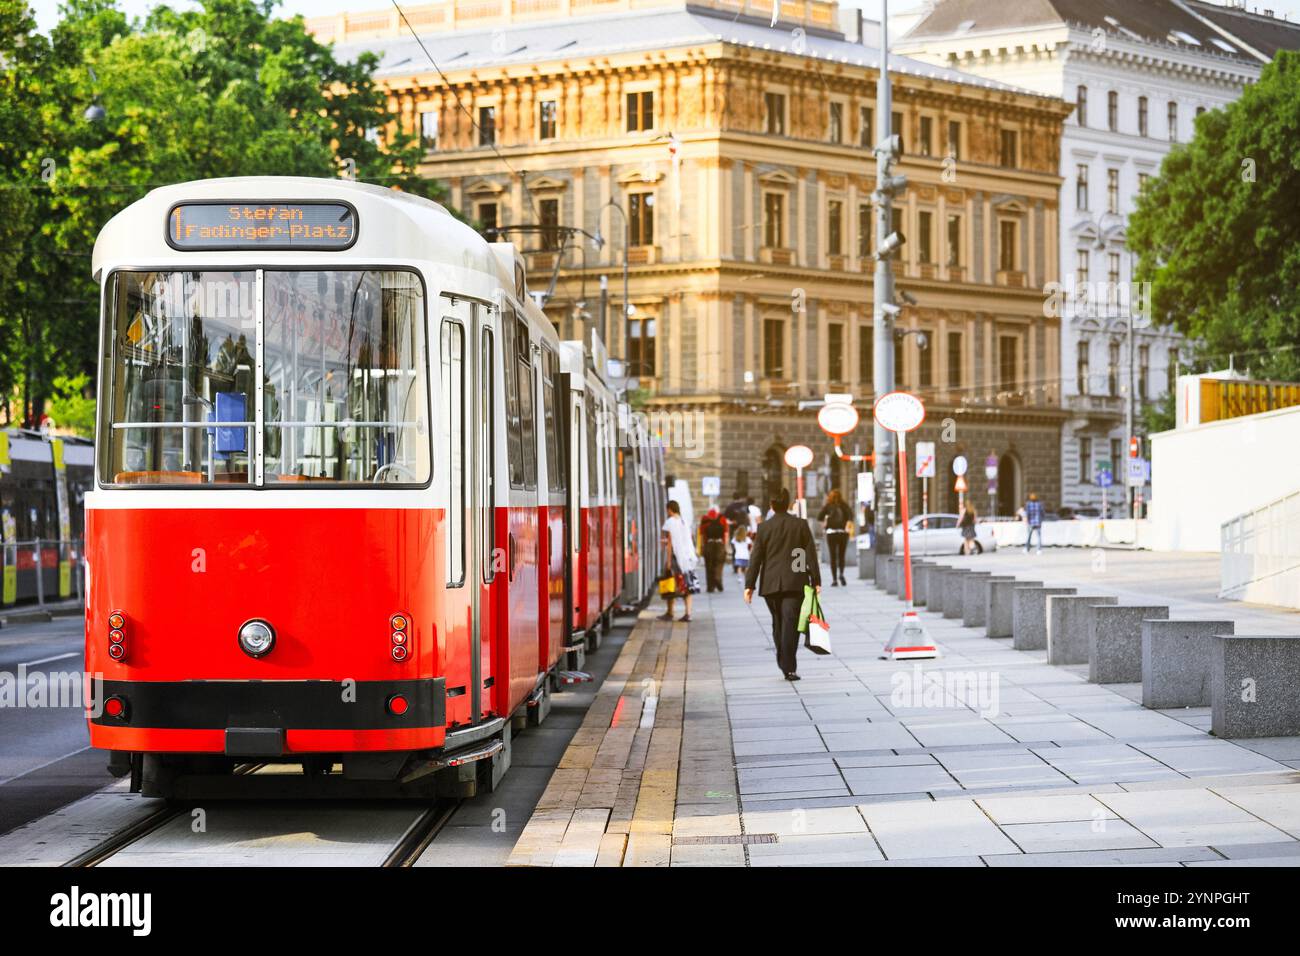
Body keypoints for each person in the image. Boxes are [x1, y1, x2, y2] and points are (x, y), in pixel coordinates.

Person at [743, 487, 821, 681]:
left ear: (771, 505)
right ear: (788, 504)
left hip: (770, 584)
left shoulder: (764, 528)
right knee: (790, 623)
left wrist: (749, 585)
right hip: (795, 582)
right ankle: (789, 666)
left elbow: (756, 559)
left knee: (778, 622)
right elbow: (807, 554)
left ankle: (783, 660)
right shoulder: (800, 525)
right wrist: (814, 579)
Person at [660, 500, 698, 622]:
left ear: (670, 509)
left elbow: (671, 542)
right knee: (687, 585)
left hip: (677, 558)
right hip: (688, 558)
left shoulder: (670, 522)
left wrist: (669, 561)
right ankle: (688, 613)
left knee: (671, 583)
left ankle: (670, 612)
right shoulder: (684, 521)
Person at [817, 489, 854, 587]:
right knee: (841, 556)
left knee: (833, 557)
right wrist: (847, 525)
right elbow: (851, 516)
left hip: (831, 533)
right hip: (843, 533)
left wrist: (825, 523)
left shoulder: (828, 506)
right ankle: (841, 574)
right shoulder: (844, 505)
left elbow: (819, 517)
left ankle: (834, 579)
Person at [698, 507, 729, 593]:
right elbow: (726, 534)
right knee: (719, 564)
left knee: (709, 566)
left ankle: (710, 587)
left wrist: (702, 547)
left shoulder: (705, 520)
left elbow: (702, 535)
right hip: (720, 544)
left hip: (709, 544)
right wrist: (725, 547)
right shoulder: (722, 519)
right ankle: (718, 579)